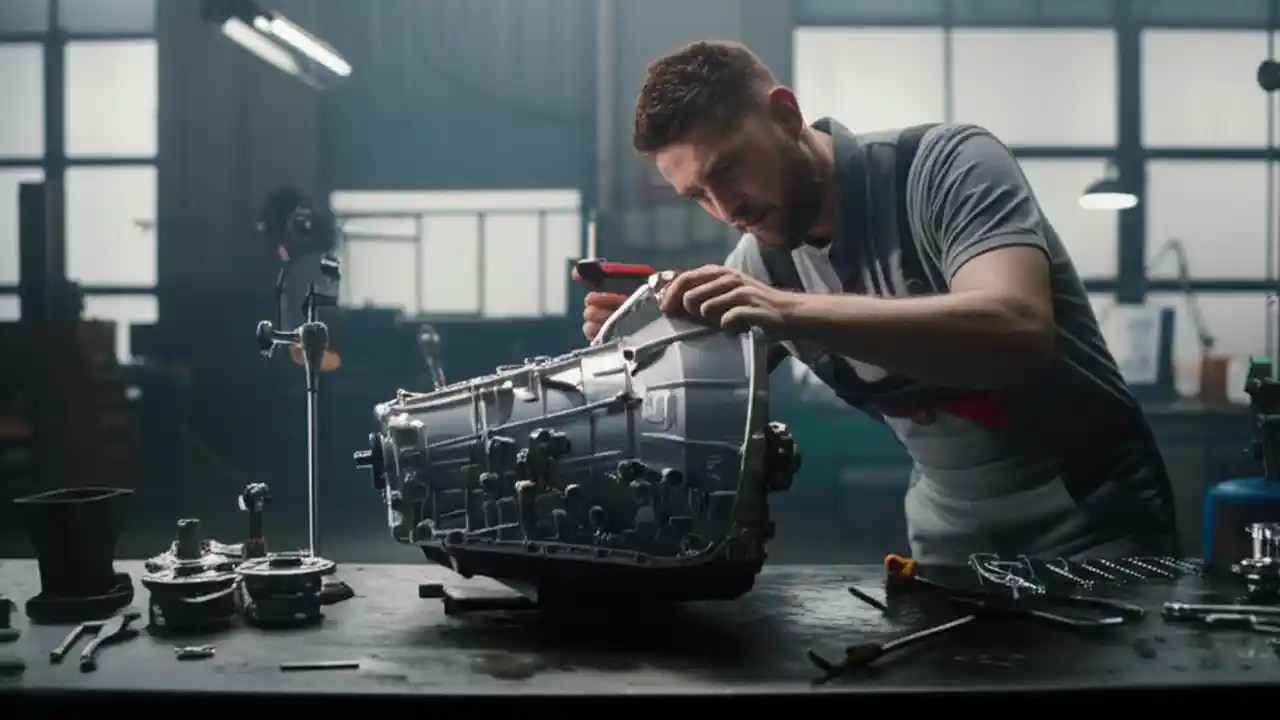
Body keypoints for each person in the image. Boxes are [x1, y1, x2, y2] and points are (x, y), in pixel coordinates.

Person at [580, 39, 1181, 565]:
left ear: (785, 114)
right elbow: (682, 400)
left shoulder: (949, 167)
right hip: (948, 546)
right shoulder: (762, 264)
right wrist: (641, 342)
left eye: (730, 167)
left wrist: (789, 312)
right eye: (697, 195)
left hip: (1100, 534)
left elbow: (1017, 333)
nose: (727, 207)